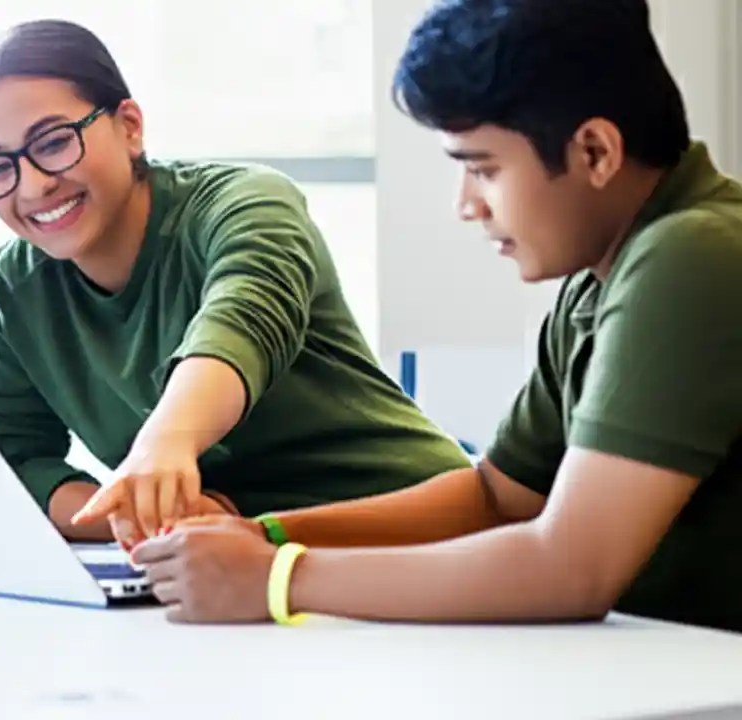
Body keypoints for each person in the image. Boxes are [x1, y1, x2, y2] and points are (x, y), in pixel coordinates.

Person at [133, 0, 742, 634]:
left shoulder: (692, 254)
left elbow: (571, 569)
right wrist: (262, 537)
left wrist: (277, 577)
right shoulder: (598, 280)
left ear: (594, 151)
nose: (466, 205)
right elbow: (496, 498)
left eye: (483, 169)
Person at [0, 19, 471, 548]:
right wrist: (134, 516)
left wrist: (166, 442)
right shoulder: (20, 284)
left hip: (416, 532)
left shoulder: (246, 204)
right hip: (235, 560)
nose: (33, 185)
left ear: (129, 127)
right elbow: (7, 455)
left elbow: (241, 323)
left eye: (54, 142)